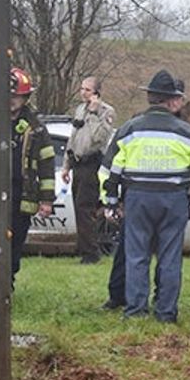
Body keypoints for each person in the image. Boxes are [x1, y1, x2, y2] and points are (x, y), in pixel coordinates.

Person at [101, 78, 190, 311]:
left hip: (138, 199)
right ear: (172, 100)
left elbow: (108, 170)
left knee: (136, 257)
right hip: (174, 201)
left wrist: (111, 202)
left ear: (149, 98)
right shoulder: (186, 132)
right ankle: (166, 311)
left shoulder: (130, 129)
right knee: (170, 258)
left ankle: (135, 310)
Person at [8, 67, 55, 286]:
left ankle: (8, 281)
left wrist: (46, 200)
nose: (11, 100)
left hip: (21, 194)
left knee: (15, 242)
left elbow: (47, 166)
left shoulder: (36, 128)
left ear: (25, 97)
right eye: (8, 95)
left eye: (16, 96)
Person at [62, 76, 116, 264]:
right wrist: (66, 166)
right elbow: (73, 137)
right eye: (82, 89)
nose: (82, 92)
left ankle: (91, 253)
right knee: (78, 208)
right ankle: (83, 247)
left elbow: (98, 138)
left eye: (87, 90)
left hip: (92, 163)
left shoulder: (106, 112)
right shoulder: (79, 109)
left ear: (96, 94)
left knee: (85, 209)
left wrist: (93, 114)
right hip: (77, 163)